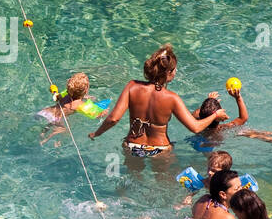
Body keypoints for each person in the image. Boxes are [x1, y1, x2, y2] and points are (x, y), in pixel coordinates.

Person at [89, 44, 225, 160]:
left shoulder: (131, 87)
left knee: (130, 182)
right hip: (160, 149)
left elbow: (113, 119)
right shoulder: (172, 98)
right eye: (175, 69)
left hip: (132, 145)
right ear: (169, 72)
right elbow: (195, 127)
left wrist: (96, 133)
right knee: (165, 184)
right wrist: (215, 115)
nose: (176, 72)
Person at [35, 72, 102, 144]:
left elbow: (57, 98)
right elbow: (96, 114)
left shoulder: (66, 93)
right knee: (66, 130)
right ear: (86, 90)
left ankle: (42, 133)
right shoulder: (80, 104)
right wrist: (103, 112)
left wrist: (55, 92)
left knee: (50, 123)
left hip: (46, 112)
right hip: (57, 119)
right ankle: (47, 140)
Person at [188, 82, 249, 152]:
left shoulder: (198, 126)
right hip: (212, 148)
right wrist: (238, 98)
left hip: (196, 143)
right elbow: (243, 118)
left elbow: (193, 115)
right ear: (221, 119)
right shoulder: (222, 129)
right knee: (246, 132)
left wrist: (209, 101)